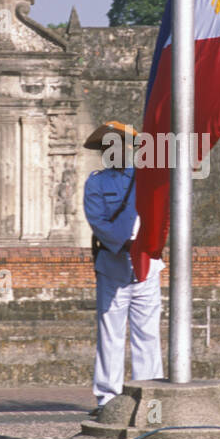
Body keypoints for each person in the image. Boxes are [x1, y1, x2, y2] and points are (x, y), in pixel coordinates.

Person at [83, 120, 164, 414]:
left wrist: (149, 243)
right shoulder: (96, 182)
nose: (112, 151)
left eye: (117, 145)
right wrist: (126, 244)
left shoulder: (144, 178)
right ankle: (107, 399)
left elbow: (159, 209)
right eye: (107, 147)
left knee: (148, 335)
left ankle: (150, 396)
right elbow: (98, 221)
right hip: (114, 265)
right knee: (111, 335)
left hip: (146, 268)